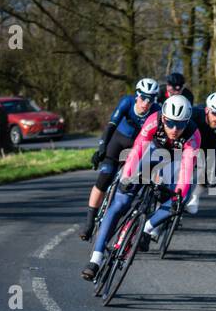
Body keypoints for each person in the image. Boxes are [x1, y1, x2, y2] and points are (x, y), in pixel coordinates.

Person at [80, 95, 200, 279]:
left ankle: (147, 226)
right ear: (164, 118)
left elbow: (186, 170)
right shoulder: (154, 120)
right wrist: (128, 176)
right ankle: (96, 259)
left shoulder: (193, 136)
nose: (175, 129)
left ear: (187, 122)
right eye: (170, 123)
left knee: (180, 198)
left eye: (180, 125)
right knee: (120, 203)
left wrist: (177, 195)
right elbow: (137, 150)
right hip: (150, 153)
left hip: (175, 161)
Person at [81, 77, 160, 240]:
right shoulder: (127, 102)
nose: (146, 102)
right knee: (104, 178)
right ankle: (89, 223)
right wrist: (102, 147)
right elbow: (111, 125)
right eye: (143, 97)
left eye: (150, 99)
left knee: (133, 184)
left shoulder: (156, 111)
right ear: (137, 95)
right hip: (118, 142)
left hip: (137, 149)